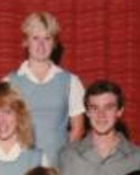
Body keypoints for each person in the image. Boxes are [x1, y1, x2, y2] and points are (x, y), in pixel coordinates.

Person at [6, 11, 85, 163]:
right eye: (35, 38)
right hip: (21, 165)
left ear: (54, 43)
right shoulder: (9, 82)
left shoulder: (71, 81)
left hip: (58, 167)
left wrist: (64, 161)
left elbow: (78, 129)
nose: (41, 45)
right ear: (26, 41)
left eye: (47, 38)